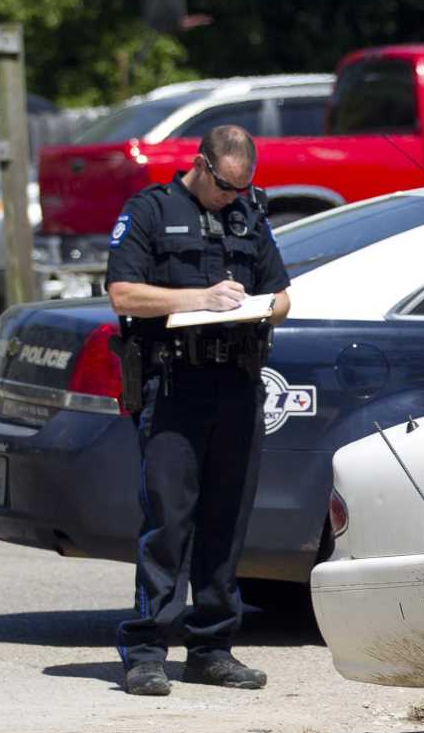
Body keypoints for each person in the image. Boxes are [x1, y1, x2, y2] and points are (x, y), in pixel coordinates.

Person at [105, 125, 291, 696]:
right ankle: (146, 649)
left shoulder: (249, 216)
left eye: (244, 188)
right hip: (175, 384)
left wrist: (262, 307)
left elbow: (282, 295)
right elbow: (122, 293)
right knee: (168, 520)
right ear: (202, 165)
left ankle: (212, 648)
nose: (233, 197)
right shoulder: (152, 211)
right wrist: (198, 299)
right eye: (226, 186)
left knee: (226, 519)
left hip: (235, 384)